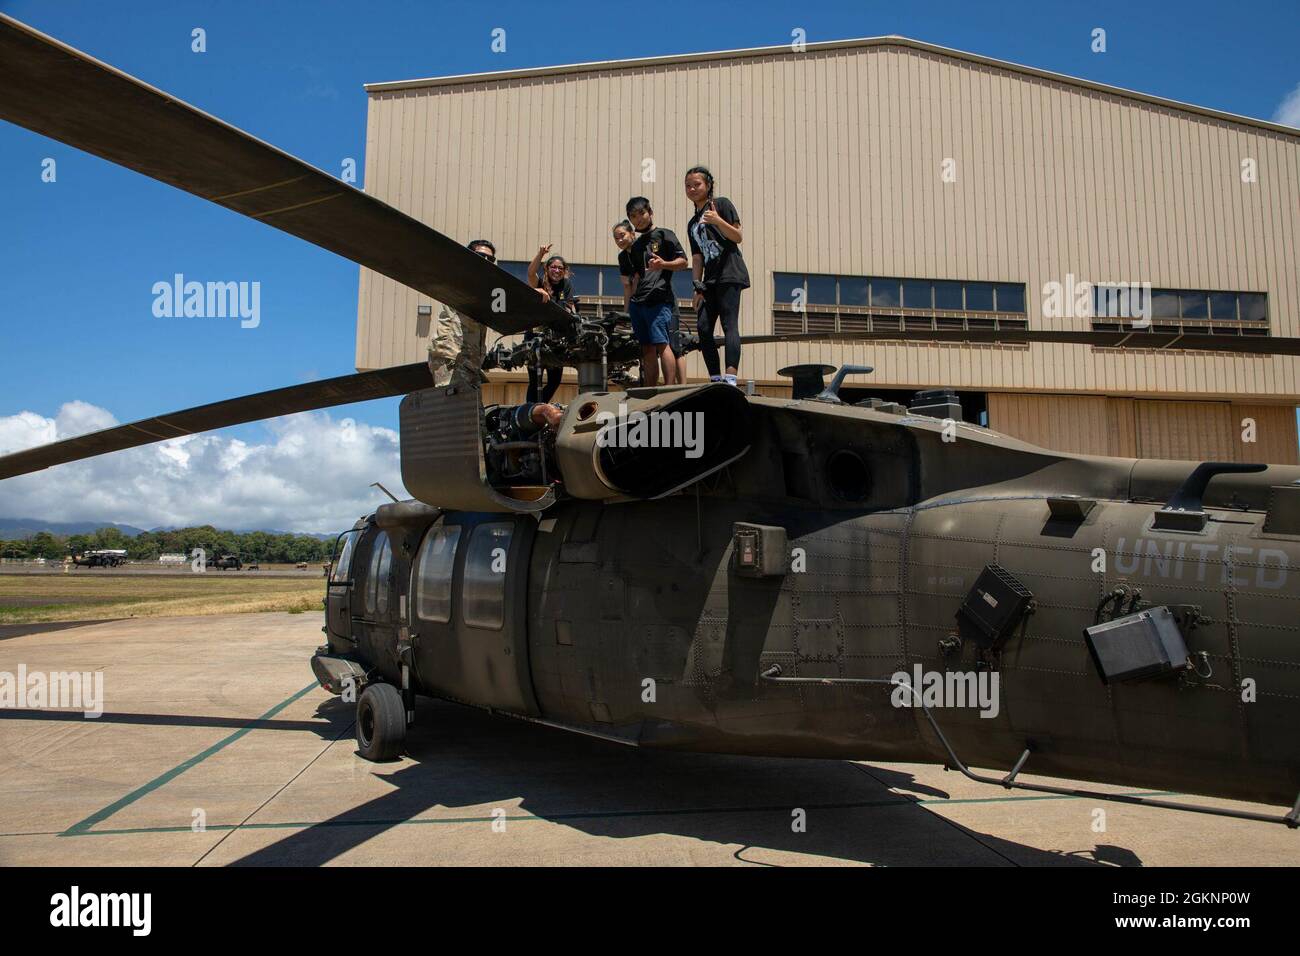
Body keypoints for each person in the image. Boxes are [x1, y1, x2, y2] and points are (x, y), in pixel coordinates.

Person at [427, 238, 550, 390]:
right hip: (453, 357)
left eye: (490, 259)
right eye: (480, 255)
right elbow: (493, 296)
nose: (486, 260)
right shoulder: (465, 277)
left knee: (473, 412)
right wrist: (527, 294)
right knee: (454, 409)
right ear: (469, 257)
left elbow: (500, 306)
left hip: (471, 362)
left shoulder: (486, 284)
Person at [685, 166, 750, 386]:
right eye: (688, 185)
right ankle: (715, 378)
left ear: (708, 185)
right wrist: (697, 286)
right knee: (703, 327)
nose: (692, 189)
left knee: (729, 323)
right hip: (709, 280)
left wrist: (718, 221)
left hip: (730, 273)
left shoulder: (721, 204)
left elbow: (738, 236)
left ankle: (730, 377)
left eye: (697, 184)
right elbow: (697, 258)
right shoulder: (692, 223)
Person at [622, 198, 688, 387]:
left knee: (662, 344)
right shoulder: (635, 246)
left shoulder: (665, 234)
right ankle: (649, 391)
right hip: (638, 303)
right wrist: (629, 305)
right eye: (633, 216)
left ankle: (668, 389)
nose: (639, 219)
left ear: (650, 212)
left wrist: (664, 264)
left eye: (641, 213)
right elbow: (636, 277)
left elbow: (684, 262)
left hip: (659, 299)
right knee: (646, 349)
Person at [525, 243, 573, 403]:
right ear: (547, 268)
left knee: (555, 381)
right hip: (535, 338)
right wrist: (540, 254)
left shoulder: (566, 285)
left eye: (560, 268)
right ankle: (531, 410)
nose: (557, 270)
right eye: (553, 267)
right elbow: (531, 272)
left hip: (557, 340)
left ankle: (540, 408)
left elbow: (569, 307)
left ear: (565, 270)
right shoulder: (540, 283)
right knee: (535, 382)